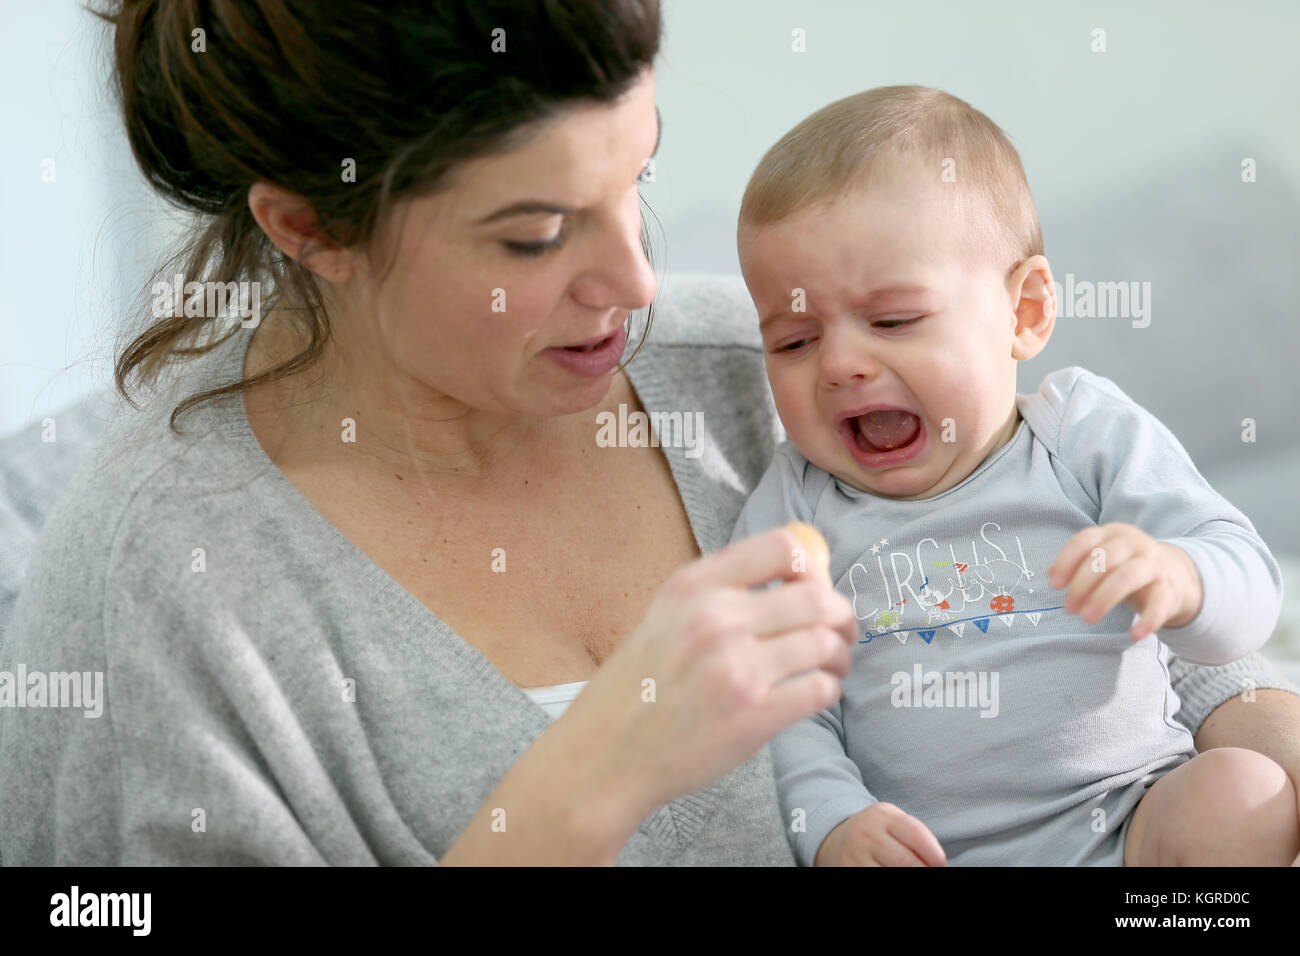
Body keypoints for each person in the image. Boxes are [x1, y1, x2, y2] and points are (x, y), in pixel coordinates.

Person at [0, 2, 1296, 866]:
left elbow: (1130, 627)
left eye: (639, 180)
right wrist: (581, 789)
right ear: (311, 230)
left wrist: (1250, 719)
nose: (633, 284)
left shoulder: (769, 375)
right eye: (533, 234)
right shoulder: (158, 596)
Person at [730, 85, 1300, 866]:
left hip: (1131, 825)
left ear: (1025, 312)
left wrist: (1183, 575)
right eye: (794, 341)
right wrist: (832, 821)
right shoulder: (795, 511)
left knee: (1246, 793)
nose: (840, 365)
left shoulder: (1083, 435)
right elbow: (777, 704)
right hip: (936, 853)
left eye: (894, 321)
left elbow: (1246, 589)